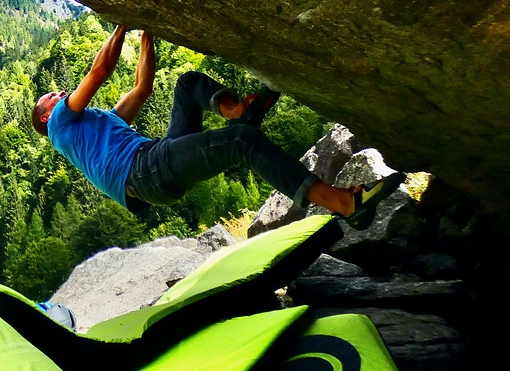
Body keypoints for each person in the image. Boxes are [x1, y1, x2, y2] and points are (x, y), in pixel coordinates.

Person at [31, 24, 403, 230]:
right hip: (145, 170)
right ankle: (342, 202)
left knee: (187, 85)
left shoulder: (98, 124)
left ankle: (236, 111)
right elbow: (100, 71)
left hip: (150, 168)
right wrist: (122, 23)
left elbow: (142, 88)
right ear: (47, 116)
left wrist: (146, 35)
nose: (59, 93)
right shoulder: (59, 125)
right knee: (243, 142)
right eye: (51, 95)